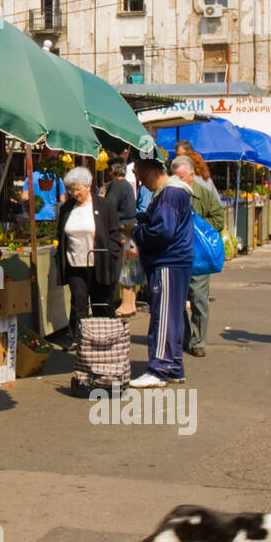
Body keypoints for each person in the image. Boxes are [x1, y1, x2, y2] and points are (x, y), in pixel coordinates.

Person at [130, 156, 195, 388]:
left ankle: (159, 368)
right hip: (176, 261)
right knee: (172, 316)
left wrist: (136, 231)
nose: (141, 183)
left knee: (164, 316)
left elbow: (163, 230)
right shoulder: (173, 192)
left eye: (140, 177)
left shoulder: (169, 193)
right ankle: (174, 366)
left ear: (149, 174)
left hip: (168, 261)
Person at [55, 167, 122, 350]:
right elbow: (61, 234)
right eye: (71, 189)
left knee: (101, 302)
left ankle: (105, 339)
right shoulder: (67, 208)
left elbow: (114, 233)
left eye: (78, 189)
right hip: (75, 263)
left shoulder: (104, 205)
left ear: (88, 185)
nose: (75, 193)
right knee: (78, 302)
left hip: (99, 262)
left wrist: (111, 255)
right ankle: (79, 339)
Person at [172, 155, 226, 358]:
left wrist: (199, 228)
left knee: (198, 299)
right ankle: (186, 336)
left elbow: (219, 219)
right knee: (176, 299)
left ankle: (198, 341)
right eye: (174, 177)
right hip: (176, 253)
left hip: (198, 255)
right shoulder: (169, 193)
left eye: (181, 177)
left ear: (192, 175)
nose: (177, 182)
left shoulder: (203, 194)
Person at [106, 158, 140, 317]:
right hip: (132, 227)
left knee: (125, 267)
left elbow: (109, 206)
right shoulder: (127, 184)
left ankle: (126, 304)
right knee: (131, 266)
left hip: (122, 229)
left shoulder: (116, 186)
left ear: (112, 171)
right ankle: (131, 303)